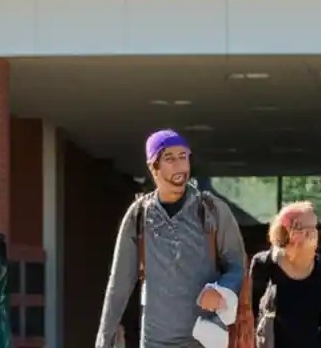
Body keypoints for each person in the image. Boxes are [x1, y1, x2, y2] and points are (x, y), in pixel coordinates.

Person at [96, 130, 247, 348]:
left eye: (183, 157)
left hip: (205, 338)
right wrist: (104, 340)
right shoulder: (139, 215)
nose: (180, 166)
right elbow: (119, 285)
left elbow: (237, 265)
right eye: (170, 159)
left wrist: (221, 289)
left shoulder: (212, 210)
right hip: (155, 341)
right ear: (153, 167)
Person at [247, 201, 321, 348]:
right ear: (286, 232)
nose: (312, 234)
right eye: (303, 228)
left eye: (314, 228)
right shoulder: (264, 263)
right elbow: (250, 315)